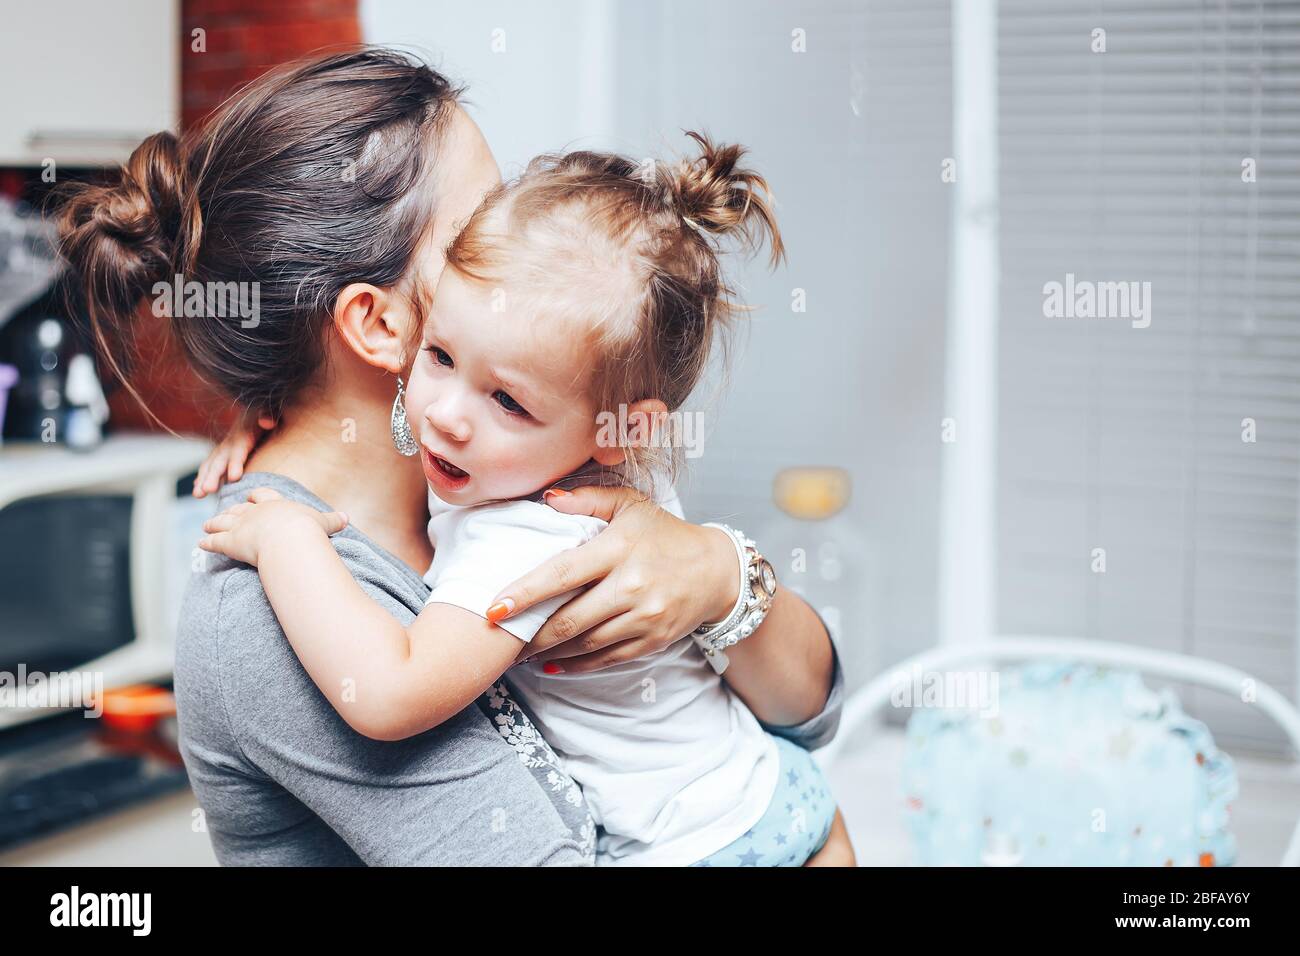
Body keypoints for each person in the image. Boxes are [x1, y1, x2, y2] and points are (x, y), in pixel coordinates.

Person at [58, 48, 848, 865]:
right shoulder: (271, 608)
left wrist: (721, 574)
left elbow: (808, 713)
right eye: (480, 226)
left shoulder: (506, 479)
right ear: (380, 325)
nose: (521, 242)